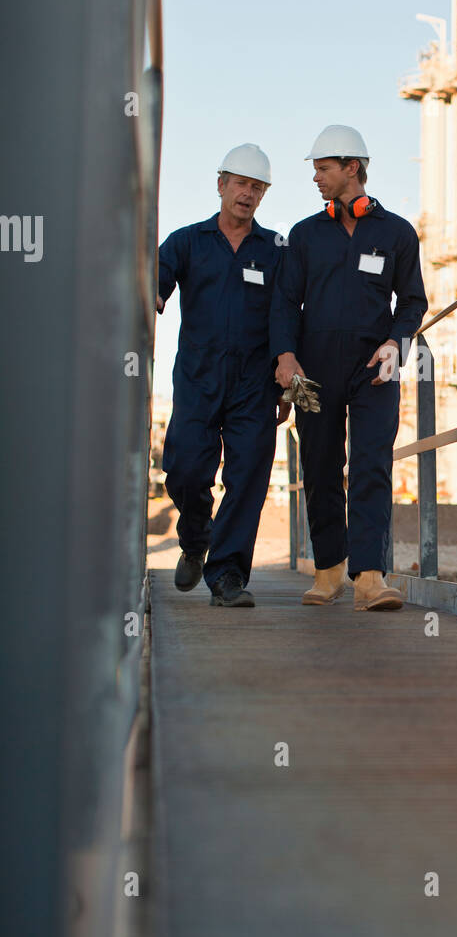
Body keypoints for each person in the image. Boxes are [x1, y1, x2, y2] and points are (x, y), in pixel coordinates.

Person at [270, 124, 428, 611]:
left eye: (322, 169)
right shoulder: (303, 235)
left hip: (373, 368)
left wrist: (396, 343)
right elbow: (283, 303)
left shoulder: (397, 232)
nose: (316, 178)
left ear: (351, 169)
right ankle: (328, 571)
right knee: (318, 465)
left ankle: (369, 578)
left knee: (371, 465)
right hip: (310, 372)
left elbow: (413, 300)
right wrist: (286, 358)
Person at [157, 143, 288, 607]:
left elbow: (287, 314)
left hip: (255, 383)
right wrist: (150, 297)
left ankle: (228, 576)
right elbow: (155, 284)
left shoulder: (275, 250)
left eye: (257, 188)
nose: (247, 194)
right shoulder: (186, 241)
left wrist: (287, 375)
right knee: (186, 470)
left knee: (248, 475)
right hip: (197, 378)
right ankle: (195, 540)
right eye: (240, 184)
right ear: (220, 185)